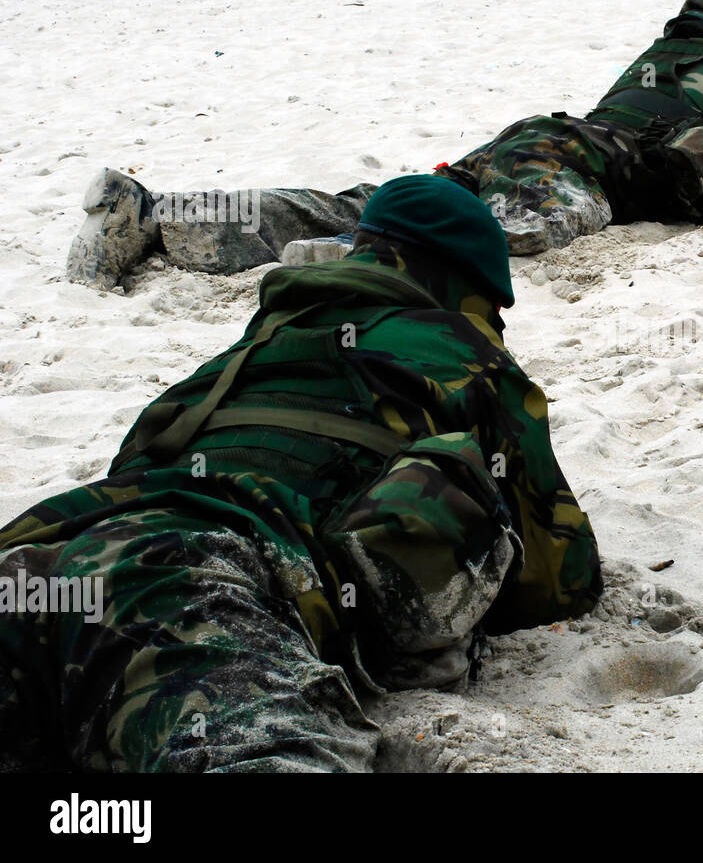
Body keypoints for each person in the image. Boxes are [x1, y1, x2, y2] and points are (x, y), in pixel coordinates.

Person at [1, 175, 602, 772]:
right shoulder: (467, 352)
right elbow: (562, 576)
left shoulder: (252, 345)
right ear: (463, 283)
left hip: (45, 554)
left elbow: (140, 456)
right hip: (193, 579)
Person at [67, 0, 703, 290]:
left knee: (375, 197)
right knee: (501, 234)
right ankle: (351, 259)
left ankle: (158, 215)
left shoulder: (674, 48)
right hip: (577, 165)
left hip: (530, 138)